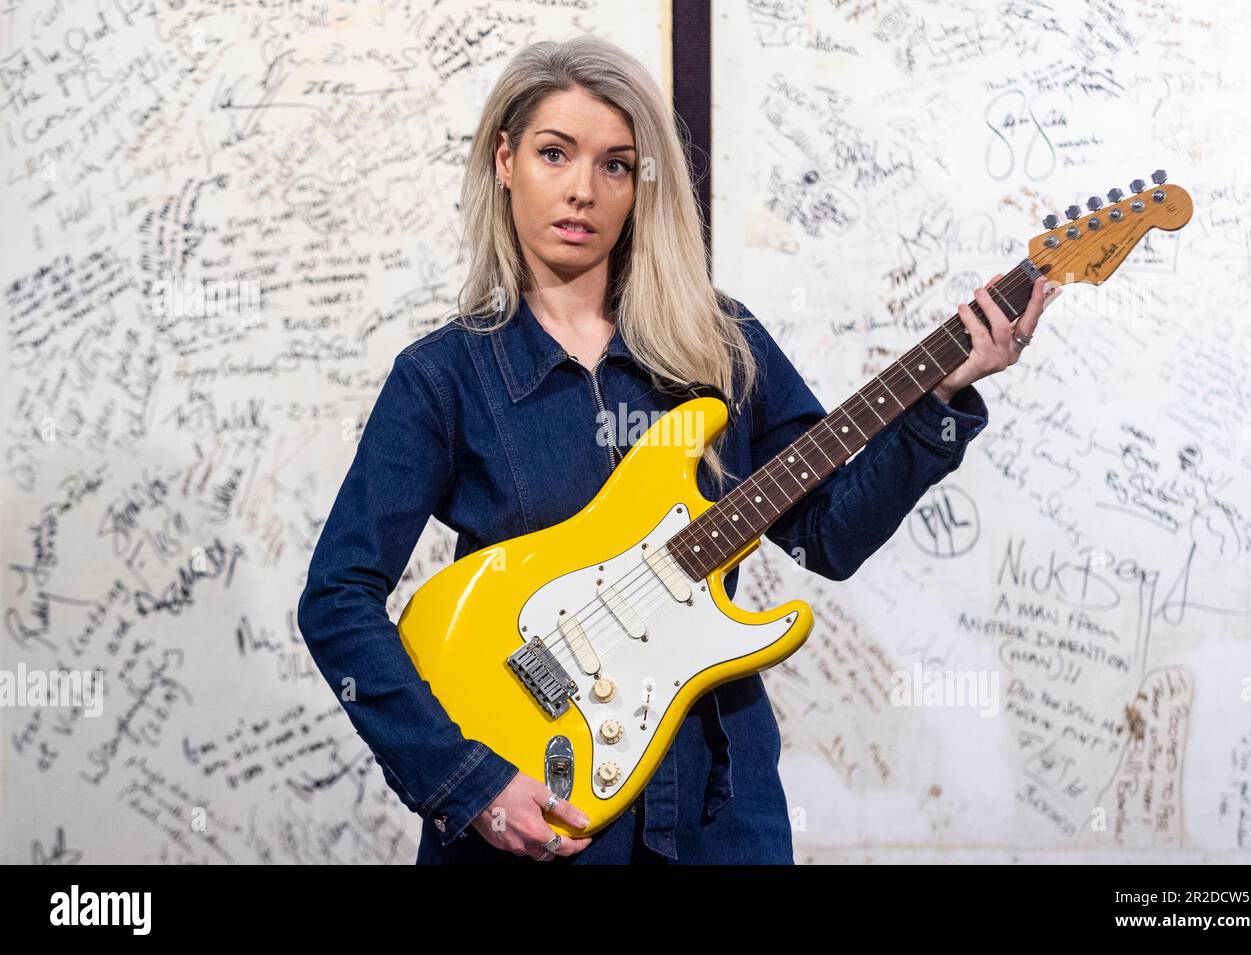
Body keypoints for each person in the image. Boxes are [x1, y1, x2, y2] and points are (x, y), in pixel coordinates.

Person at [296, 36, 1056, 865]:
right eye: (556, 154)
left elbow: (828, 536)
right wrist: (466, 782)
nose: (583, 189)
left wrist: (940, 396)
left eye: (617, 165)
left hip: (717, 808)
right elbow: (337, 595)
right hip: (537, 803)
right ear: (506, 160)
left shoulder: (721, 346)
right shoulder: (442, 378)